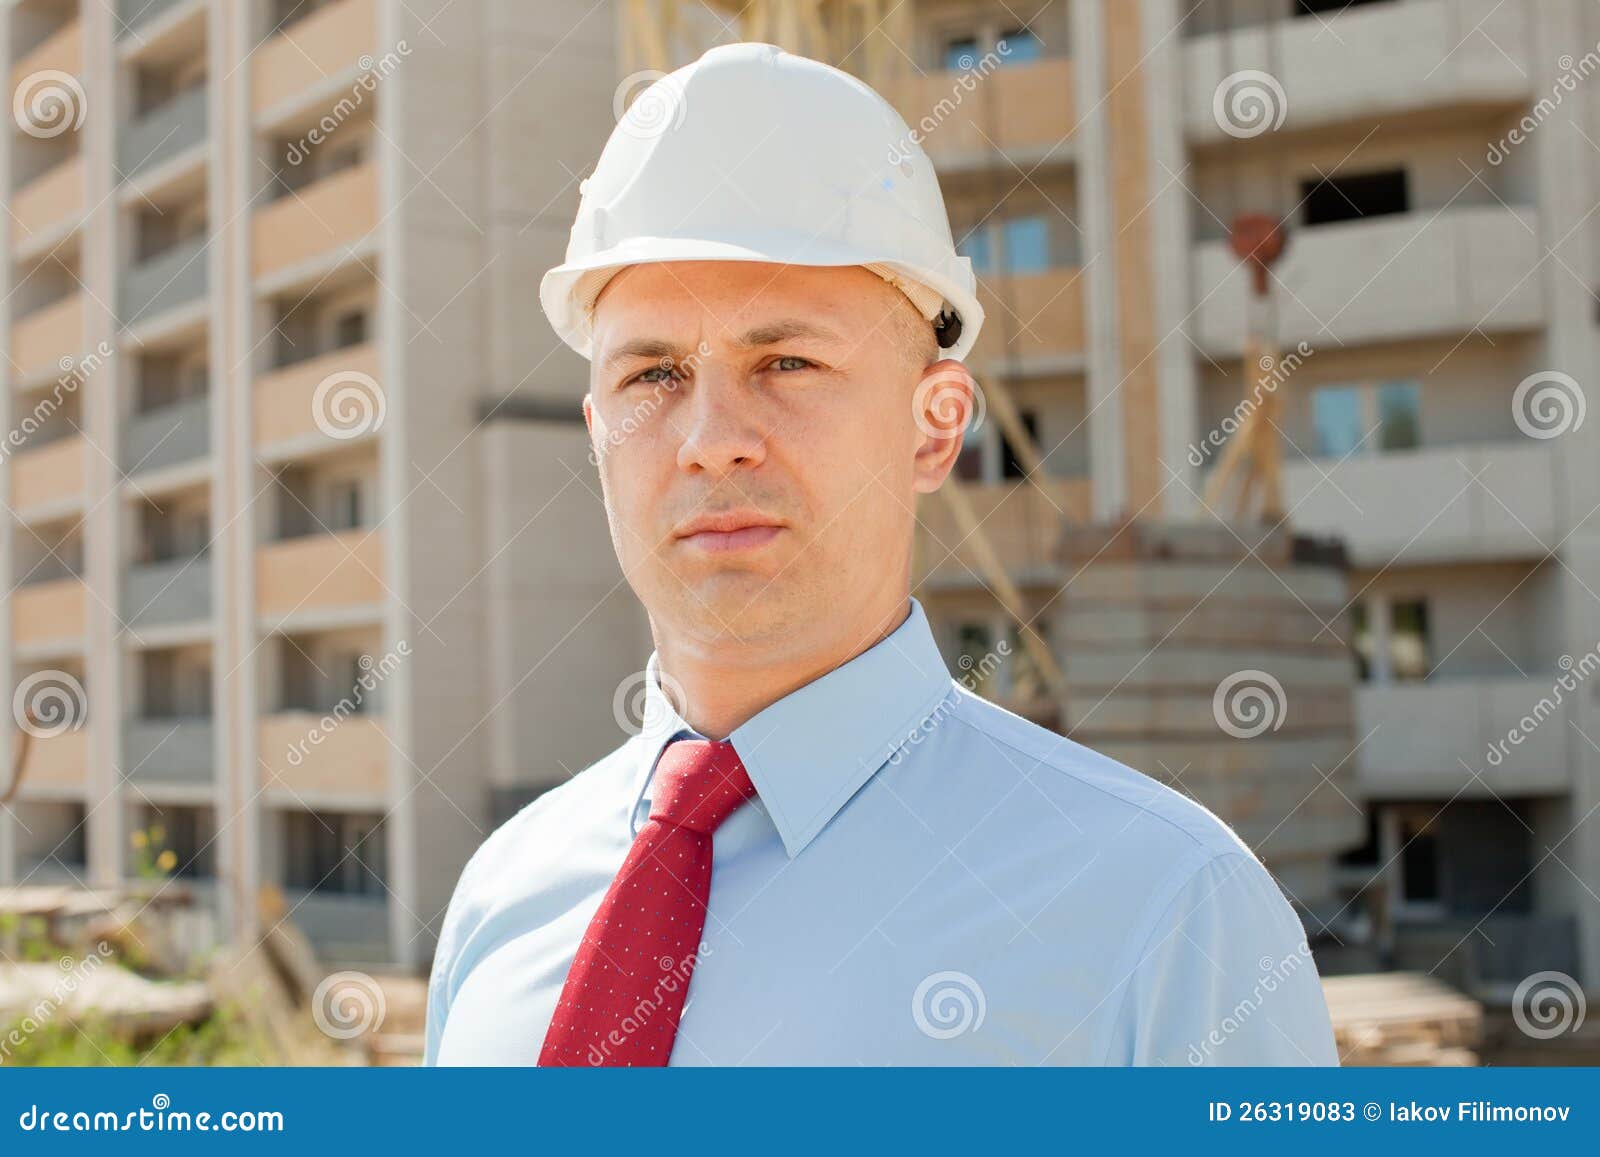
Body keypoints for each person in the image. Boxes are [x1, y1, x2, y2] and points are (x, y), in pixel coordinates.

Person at [424, 41, 1338, 1066]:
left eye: (787, 361)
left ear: (934, 427)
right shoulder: (501, 901)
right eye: (653, 374)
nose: (709, 436)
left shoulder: (1166, 915)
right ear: (597, 431)